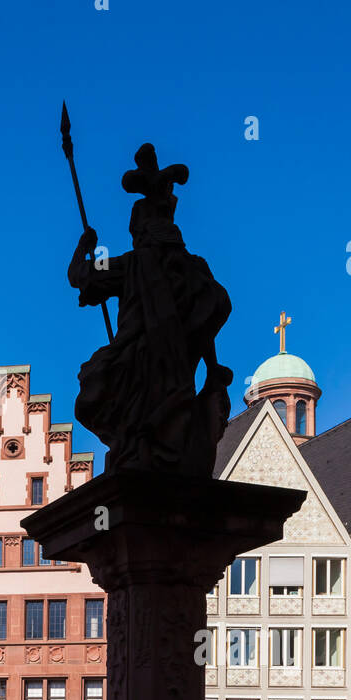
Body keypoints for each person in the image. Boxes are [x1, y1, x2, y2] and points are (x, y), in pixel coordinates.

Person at [68, 143, 233, 475]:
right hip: (177, 376)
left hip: (136, 366)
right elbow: (215, 310)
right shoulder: (196, 266)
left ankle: (134, 453)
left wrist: (83, 247)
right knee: (155, 426)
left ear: (138, 229)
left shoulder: (130, 263)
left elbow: (79, 276)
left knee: (94, 395)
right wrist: (211, 366)